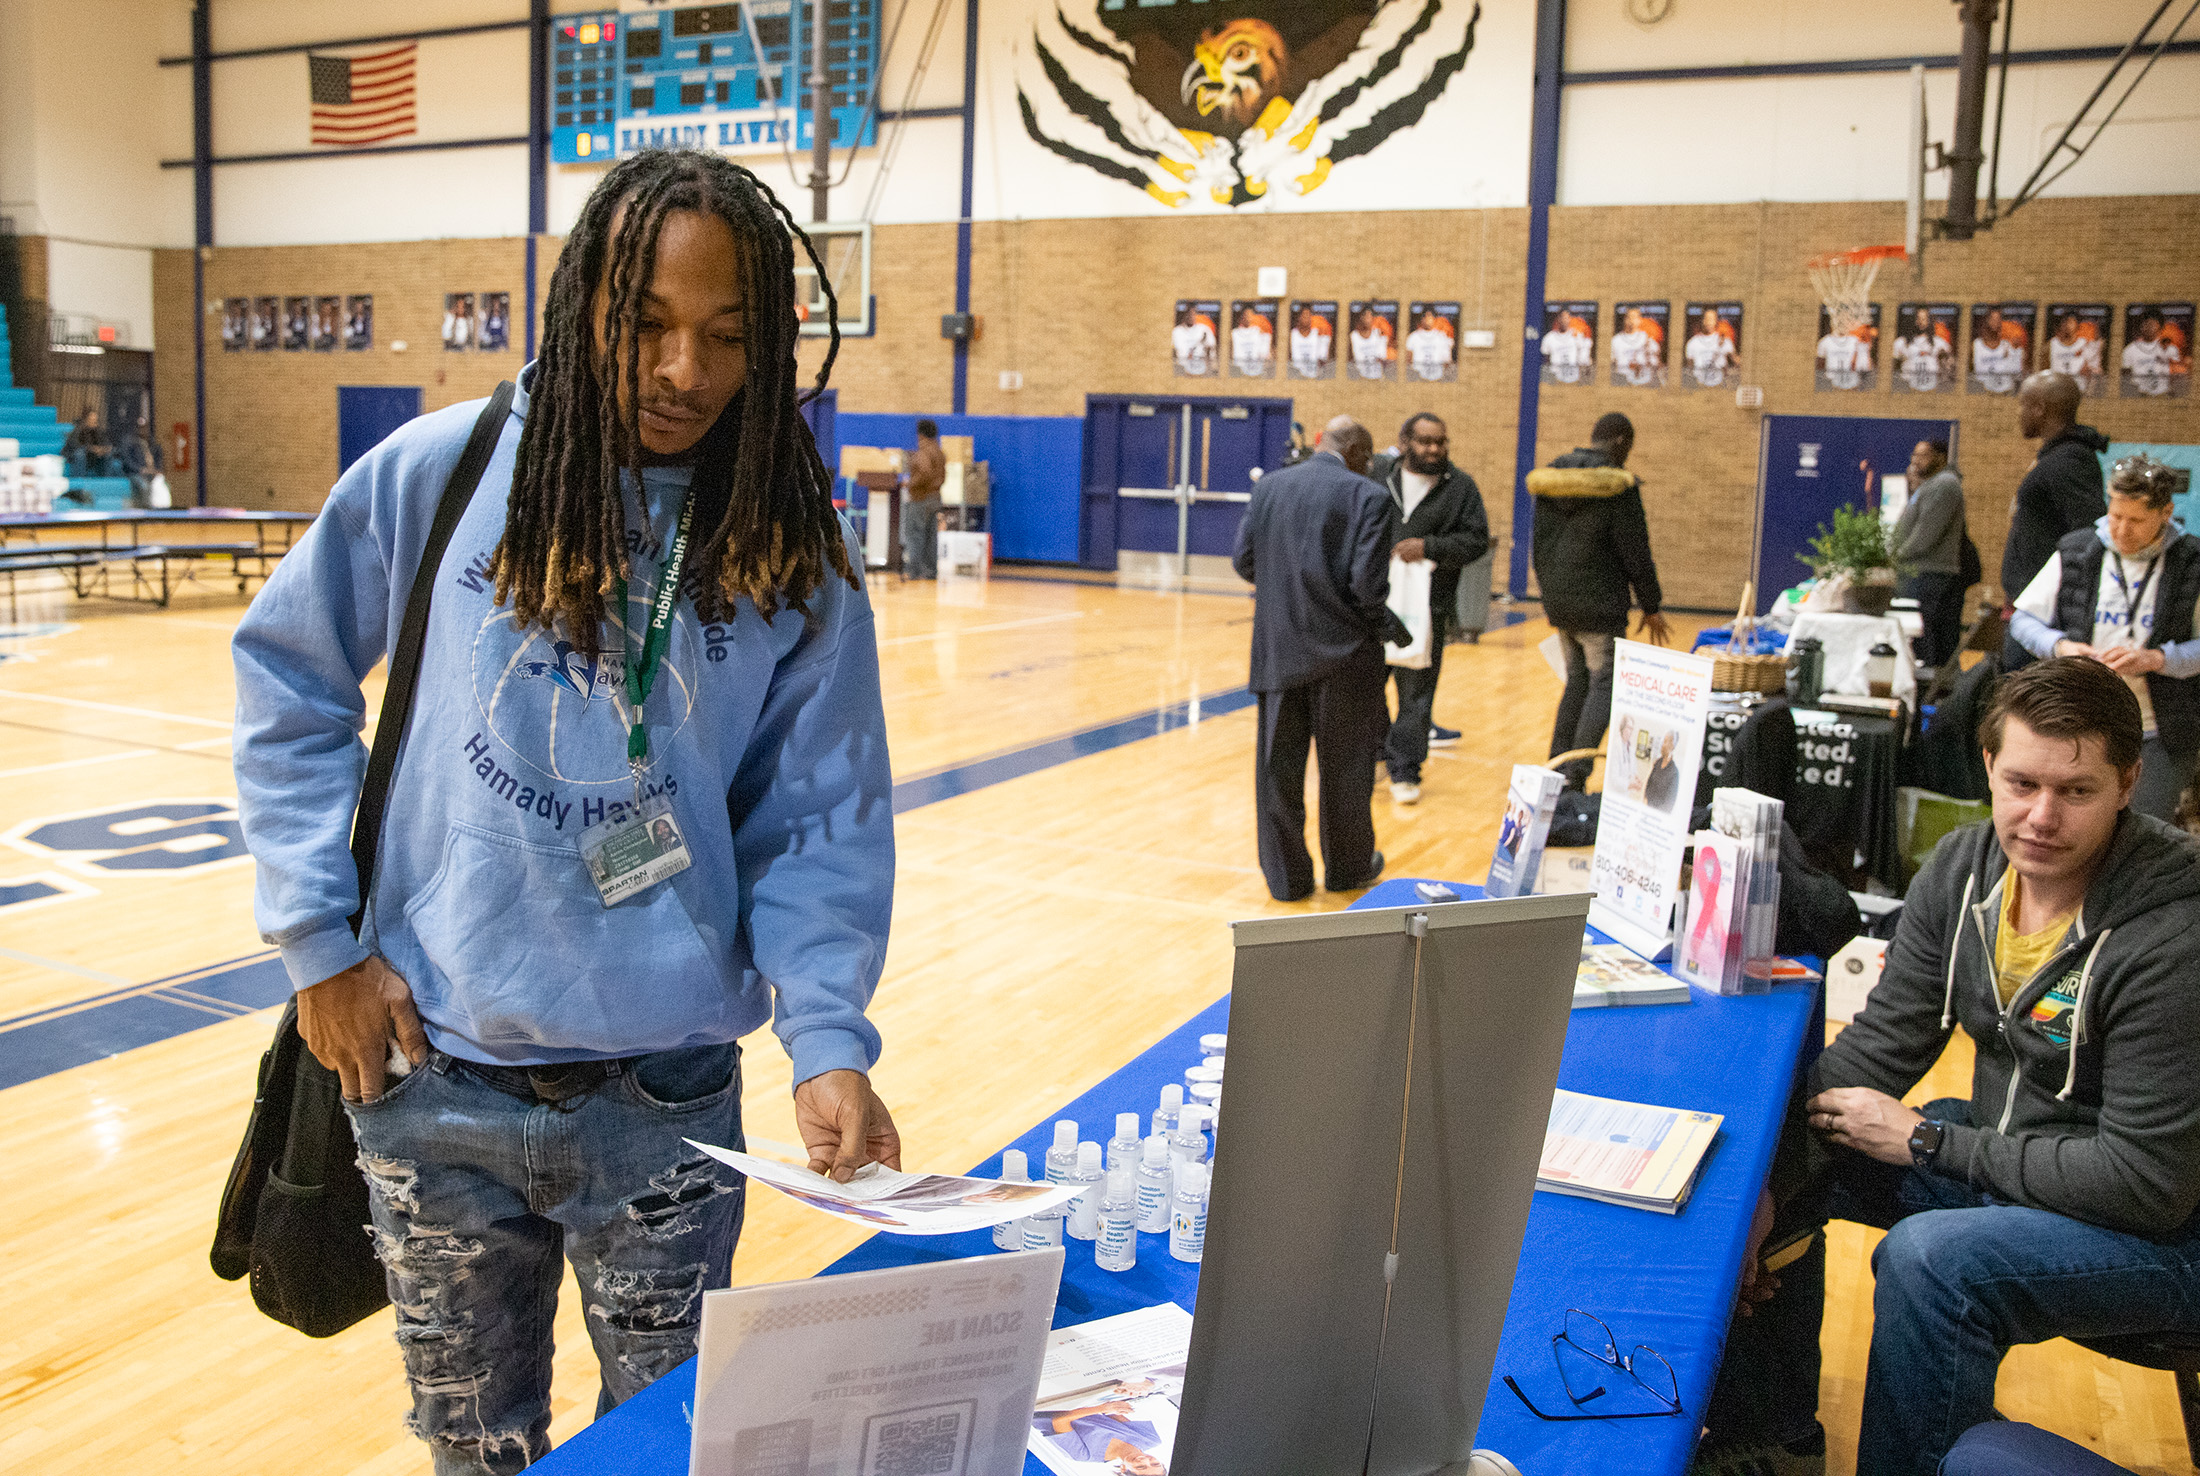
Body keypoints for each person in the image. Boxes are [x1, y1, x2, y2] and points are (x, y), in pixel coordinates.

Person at [230, 149, 900, 1475]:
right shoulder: (439, 474)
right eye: (644, 325)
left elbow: (819, 819)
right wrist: (321, 946)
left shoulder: (788, 553)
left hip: (671, 1108)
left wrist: (826, 1035)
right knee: (475, 1452)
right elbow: (288, 673)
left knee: (667, 1452)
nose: (682, 373)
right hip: (431, 1087)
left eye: (725, 338)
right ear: (580, 303)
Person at [1704, 657, 2200, 1476]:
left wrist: (1932, 1145)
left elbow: (2148, 1183)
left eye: (2075, 791)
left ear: (2128, 782)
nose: (2040, 815)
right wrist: (1760, 1194)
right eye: (2021, 783)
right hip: (2025, 1160)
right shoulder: (1966, 867)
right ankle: (1776, 1434)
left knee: (1933, 1263)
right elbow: (1882, 1044)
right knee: (1788, 1160)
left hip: (2163, 1233)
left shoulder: (2172, 937)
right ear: (1988, 770)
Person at [1232, 415, 1399, 900]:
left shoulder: (1269, 489)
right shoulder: (1368, 497)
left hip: (1278, 652)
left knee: (1277, 773)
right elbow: (1367, 587)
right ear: (1357, 453)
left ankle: (1287, 881)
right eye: (1367, 459)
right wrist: (1390, 626)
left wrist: (1287, 595)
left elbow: (1244, 561)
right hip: (1344, 659)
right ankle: (1347, 871)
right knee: (1346, 772)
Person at [2009, 454, 2200, 821]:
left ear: (2166, 513)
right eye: (2115, 516)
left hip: (2159, 729)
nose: (2122, 530)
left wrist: (2158, 659)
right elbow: (2023, 621)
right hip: (2079, 720)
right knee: (2081, 829)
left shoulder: (2191, 562)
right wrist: (2060, 647)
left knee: (2144, 833)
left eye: (2136, 520)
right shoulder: (2078, 550)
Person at [1526, 412, 1671, 790]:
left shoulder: (1552, 480)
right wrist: (1651, 604)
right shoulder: (1617, 485)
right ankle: (1576, 776)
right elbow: (1635, 550)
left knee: (1576, 681)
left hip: (1560, 601)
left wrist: (1550, 597)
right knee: (1604, 685)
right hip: (1600, 604)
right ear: (1621, 441)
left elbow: (1538, 546)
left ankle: (1556, 767)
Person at [1364, 414, 1489, 804]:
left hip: (1428, 609)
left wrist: (1429, 547)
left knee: (1416, 695)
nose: (1434, 449)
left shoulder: (1461, 487)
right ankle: (1378, 753)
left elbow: (1475, 541)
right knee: (1366, 687)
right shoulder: (1376, 477)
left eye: (1440, 442)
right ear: (1404, 442)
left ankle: (1405, 770)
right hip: (1373, 605)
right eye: (1425, 442)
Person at [2001, 371, 2110, 664]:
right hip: (2029, 607)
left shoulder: (2071, 461)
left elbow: (2090, 536)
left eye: (2023, 404)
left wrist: (2069, 607)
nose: (2019, 412)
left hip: (2046, 615)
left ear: (2040, 408)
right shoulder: (2057, 455)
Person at [1891, 440, 1971, 669]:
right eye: (1914, 455)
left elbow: (1925, 536)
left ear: (1940, 457)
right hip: (1919, 573)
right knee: (1923, 636)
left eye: (1922, 455)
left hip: (1930, 575)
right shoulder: (1929, 485)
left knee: (1927, 637)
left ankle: (1930, 692)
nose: (1916, 461)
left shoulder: (1945, 484)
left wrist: (1895, 557)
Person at [902, 418, 945, 579]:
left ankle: (913, 571)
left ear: (920, 434)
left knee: (914, 534)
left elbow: (924, 472)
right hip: (935, 497)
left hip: (920, 498)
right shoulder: (939, 452)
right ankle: (931, 571)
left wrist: (910, 484)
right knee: (931, 536)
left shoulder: (924, 451)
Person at [2121, 308, 2182, 397]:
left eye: (2152, 324)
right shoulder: (2130, 349)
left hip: (2164, 394)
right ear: (2140, 326)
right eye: (2145, 324)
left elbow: (2177, 370)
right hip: (2139, 395)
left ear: (2160, 327)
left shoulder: (2170, 348)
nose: (2149, 327)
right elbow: (2125, 375)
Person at [1891, 307, 1951, 393]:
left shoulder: (1938, 342)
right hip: (1907, 388)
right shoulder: (1901, 342)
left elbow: (1949, 362)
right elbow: (1891, 365)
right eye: (1918, 318)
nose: (1921, 322)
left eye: (1924, 319)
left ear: (1929, 321)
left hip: (1932, 389)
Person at [1970, 307, 2024, 393]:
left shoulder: (2007, 345)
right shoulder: (1976, 345)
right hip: (1982, 391)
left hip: (2006, 392)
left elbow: (2016, 372)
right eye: (1993, 319)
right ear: (1986, 321)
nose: (1996, 323)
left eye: (1999, 319)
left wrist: (2016, 352)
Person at [2046, 310, 2102, 394]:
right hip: (2057, 390)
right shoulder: (2052, 344)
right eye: (2064, 322)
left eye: (2070, 322)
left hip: (2079, 390)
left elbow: (2094, 369)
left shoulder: (2084, 344)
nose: (2067, 325)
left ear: (2077, 325)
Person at [116, 416, 165, 507]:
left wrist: (157, 469)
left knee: (161, 486)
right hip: (135, 473)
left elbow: (158, 458)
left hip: (151, 472)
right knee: (144, 486)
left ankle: (159, 513)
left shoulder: (152, 442)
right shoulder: (129, 441)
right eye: (140, 427)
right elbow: (127, 461)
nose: (142, 430)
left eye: (144, 427)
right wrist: (140, 469)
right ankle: (145, 511)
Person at [1684, 307, 1737, 388]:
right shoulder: (1692, 343)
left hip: (1721, 387)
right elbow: (1689, 367)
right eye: (1707, 319)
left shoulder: (1725, 341)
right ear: (1702, 320)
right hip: (1700, 386)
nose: (1709, 322)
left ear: (1716, 321)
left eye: (1712, 319)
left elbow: (1736, 361)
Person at [1610, 307, 1661, 387]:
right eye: (1628, 317)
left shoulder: (1647, 338)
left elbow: (1655, 363)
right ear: (1624, 319)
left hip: (1644, 382)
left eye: (1634, 317)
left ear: (1639, 319)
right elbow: (1610, 364)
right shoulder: (1615, 340)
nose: (1631, 321)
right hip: (1622, 382)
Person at [61, 405, 117, 477]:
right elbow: (76, 446)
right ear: (85, 421)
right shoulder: (77, 431)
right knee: (80, 453)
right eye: (92, 420)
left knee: (108, 454)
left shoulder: (98, 431)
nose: (94, 422)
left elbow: (107, 443)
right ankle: (79, 481)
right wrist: (93, 449)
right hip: (75, 457)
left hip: (93, 458)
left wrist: (104, 449)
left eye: (95, 420)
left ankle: (105, 481)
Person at [1541, 310, 1593, 385]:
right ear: (1558, 319)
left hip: (1574, 379)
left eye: (1566, 318)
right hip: (1555, 380)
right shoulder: (1549, 337)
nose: (1564, 321)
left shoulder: (1577, 335)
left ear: (1569, 319)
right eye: (1562, 318)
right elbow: (1544, 358)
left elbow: (1584, 358)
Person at [1816, 321, 1871, 389]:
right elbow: (1820, 361)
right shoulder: (1825, 341)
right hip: (1830, 378)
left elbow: (1859, 359)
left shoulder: (1854, 340)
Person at [1405, 309, 1453, 381]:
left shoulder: (1441, 337)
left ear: (1434, 319)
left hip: (1437, 378)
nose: (1427, 320)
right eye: (1425, 317)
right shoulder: (1413, 337)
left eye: (1430, 317)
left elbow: (1446, 360)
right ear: (1421, 319)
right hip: (1418, 378)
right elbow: (1408, 358)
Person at [1287, 304, 1331, 378]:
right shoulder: (1292, 334)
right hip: (1296, 376)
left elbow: (1323, 357)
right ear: (1299, 318)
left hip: (1314, 376)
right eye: (1304, 316)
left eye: (1309, 316)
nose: (1307, 319)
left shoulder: (1317, 333)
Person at [1171, 304, 1215, 376]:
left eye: (1193, 314)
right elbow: (1173, 353)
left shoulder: (1204, 329)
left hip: (1201, 369)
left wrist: (1210, 366)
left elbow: (1211, 349)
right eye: (1188, 314)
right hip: (1182, 369)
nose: (1190, 317)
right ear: (1184, 316)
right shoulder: (1176, 331)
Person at [1642, 729, 1679, 811]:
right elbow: (1649, 783)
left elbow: (1669, 803)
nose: (1662, 744)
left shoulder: (1674, 772)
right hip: (1646, 807)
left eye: (1665, 741)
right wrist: (1645, 800)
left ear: (1672, 745)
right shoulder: (1657, 763)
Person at [1348, 306, 1389, 379]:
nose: (1368, 320)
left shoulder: (1378, 334)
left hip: (1377, 377)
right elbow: (1352, 358)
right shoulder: (1353, 336)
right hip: (1360, 377)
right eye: (1366, 317)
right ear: (1361, 318)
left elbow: (1382, 356)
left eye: (1370, 317)